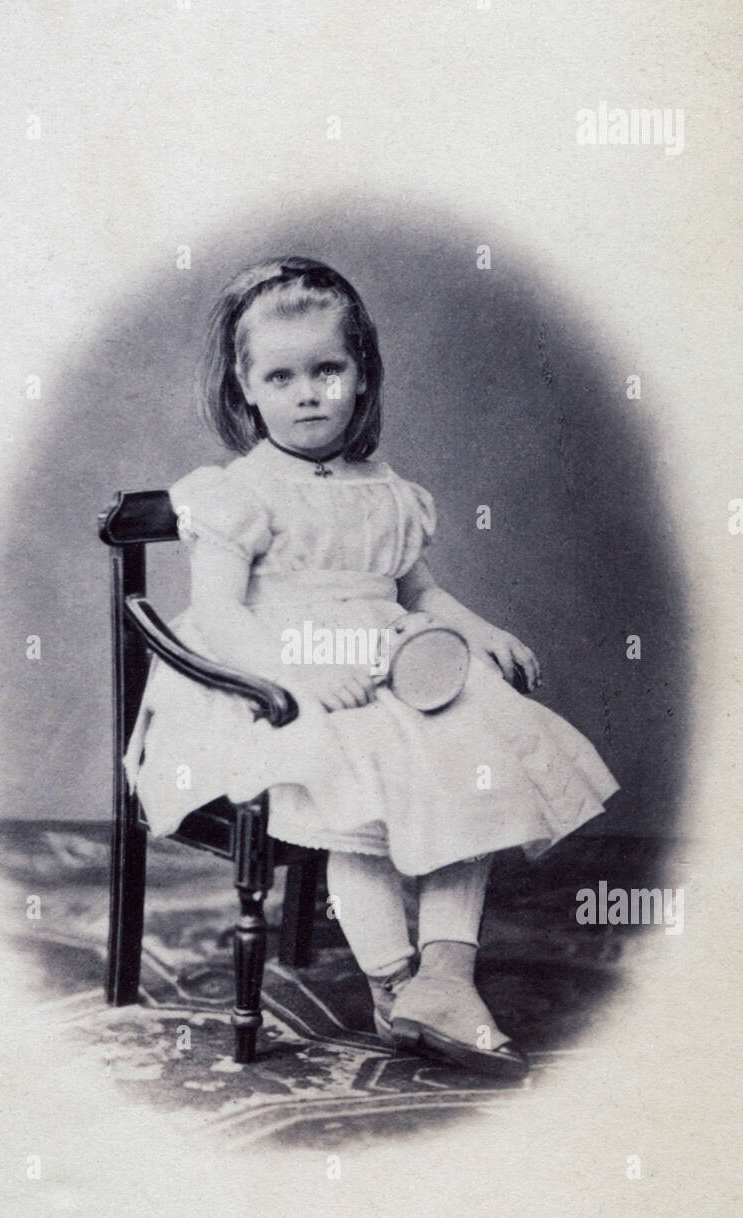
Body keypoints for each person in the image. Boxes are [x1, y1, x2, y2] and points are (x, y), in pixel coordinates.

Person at [126, 255, 619, 1077]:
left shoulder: (385, 490)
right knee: (358, 772)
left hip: (387, 657)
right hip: (272, 675)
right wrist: (296, 673)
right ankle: (392, 979)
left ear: (360, 377)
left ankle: (445, 975)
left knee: (481, 740)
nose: (307, 391)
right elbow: (217, 614)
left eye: (327, 369)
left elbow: (419, 590)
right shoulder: (238, 491)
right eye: (281, 376)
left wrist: (477, 627)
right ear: (246, 388)